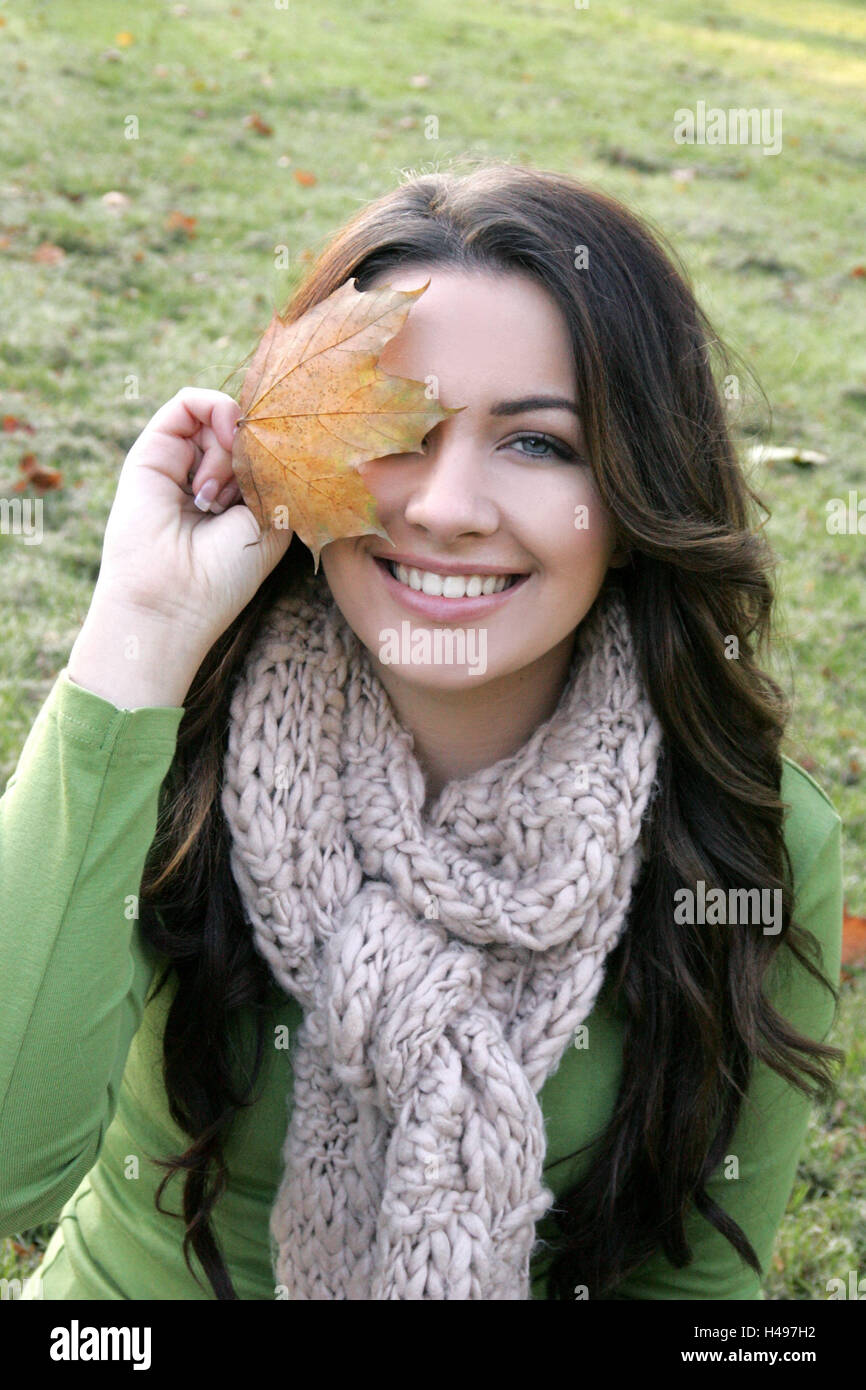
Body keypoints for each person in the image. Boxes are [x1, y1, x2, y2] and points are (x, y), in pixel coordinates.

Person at [0, 162, 843, 1301]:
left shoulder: (746, 831)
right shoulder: (168, 733)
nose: (446, 506)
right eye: (399, 428)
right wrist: (140, 633)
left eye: (538, 443)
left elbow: (696, 1296)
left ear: (639, 491)